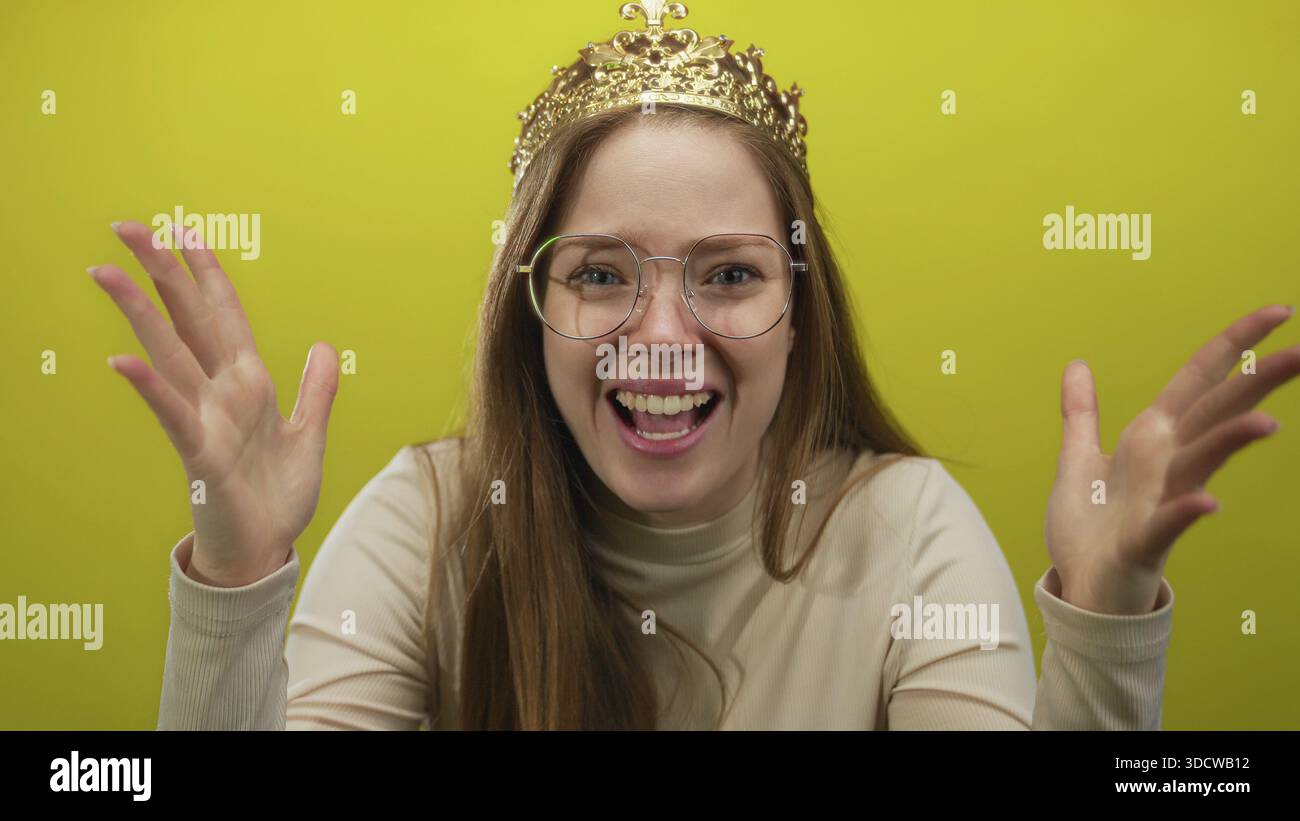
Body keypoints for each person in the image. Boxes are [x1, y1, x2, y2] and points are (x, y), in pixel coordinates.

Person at [89, 2, 1297, 730]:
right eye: (602, 273)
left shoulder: (905, 528)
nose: (662, 337)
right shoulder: (428, 520)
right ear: (531, 308)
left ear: (795, 309)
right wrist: (240, 577)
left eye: (726, 274)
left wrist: (1101, 623)